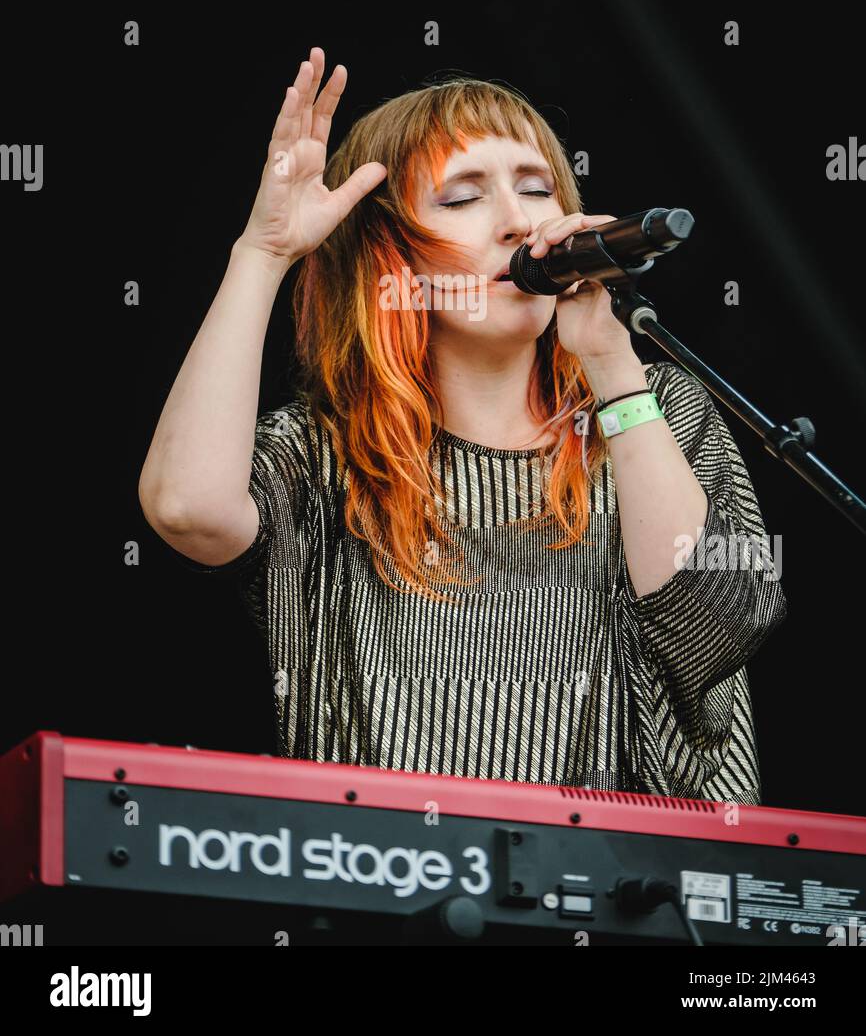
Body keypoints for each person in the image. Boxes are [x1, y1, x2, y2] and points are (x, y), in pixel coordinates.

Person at [138, 49, 787, 802]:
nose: (519, 222)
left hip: (648, 894)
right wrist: (264, 253)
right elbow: (187, 509)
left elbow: (719, 623)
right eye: (461, 198)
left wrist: (613, 368)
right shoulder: (323, 455)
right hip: (389, 892)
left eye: (539, 188)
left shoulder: (655, 406)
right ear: (394, 259)